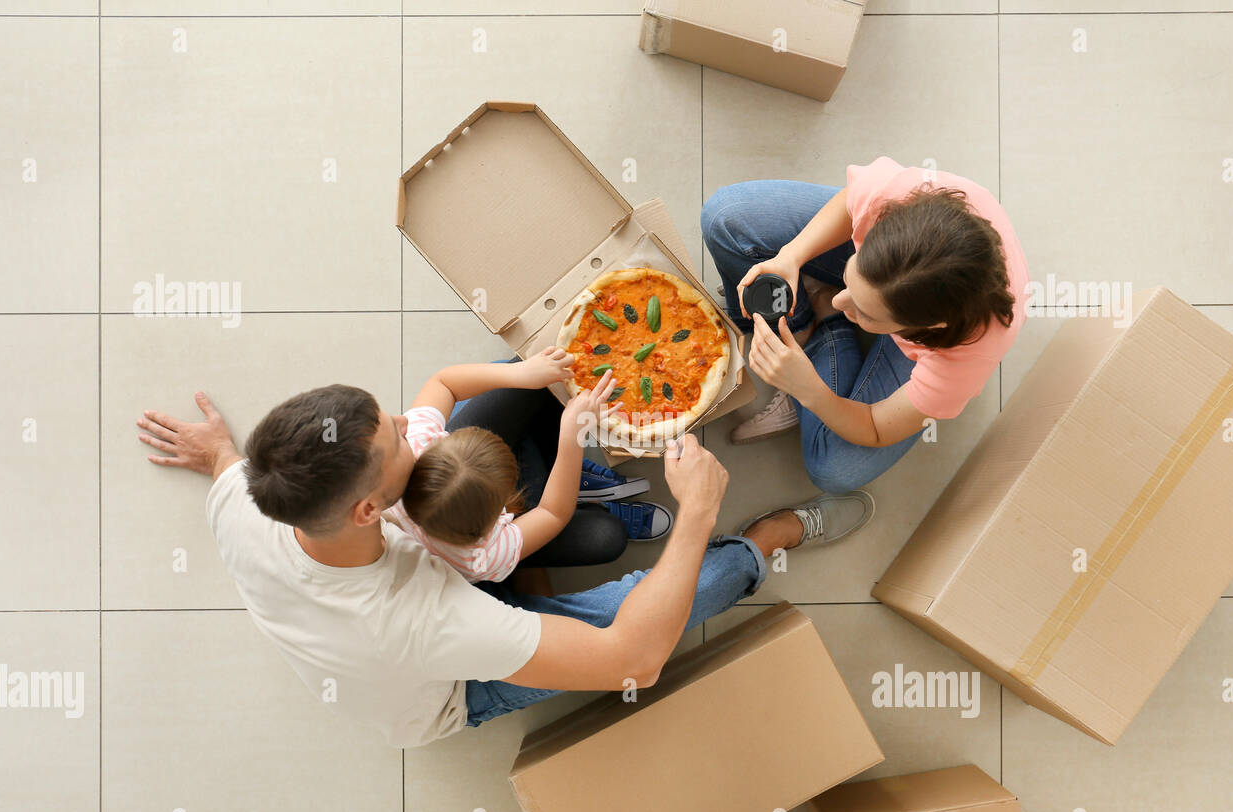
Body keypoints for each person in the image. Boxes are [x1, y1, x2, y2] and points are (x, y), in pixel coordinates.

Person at [133, 375, 802, 747]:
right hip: (447, 682)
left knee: (528, 385)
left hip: (438, 586)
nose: (406, 421)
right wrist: (697, 513)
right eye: (398, 437)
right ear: (370, 511)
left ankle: (550, 521)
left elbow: (233, 468)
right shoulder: (428, 617)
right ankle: (760, 544)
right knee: (650, 595)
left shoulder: (243, 499)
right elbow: (634, 660)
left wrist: (219, 452)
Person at [704, 157, 1030, 550]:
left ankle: (826, 333)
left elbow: (876, 427)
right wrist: (791, 256)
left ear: (925, 330)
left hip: (925, 344)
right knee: (725, 217)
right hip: (902, 276)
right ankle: (804, 319)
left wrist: (810, 390)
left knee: (835, 470)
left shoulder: (966, 355)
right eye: (847, 279)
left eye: (865, 315)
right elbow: (850, 203)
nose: (843, 301)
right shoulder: (904, 199)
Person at [386, 349, 628, 583]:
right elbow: (553, 513)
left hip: (475, 506)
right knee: (609, 537)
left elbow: (443, 383)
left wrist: (521, 373)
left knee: (543, 369)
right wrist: (571, 436)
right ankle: (573, 483)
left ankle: (567, 475)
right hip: (514, 527)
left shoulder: (415, 443)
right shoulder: (481, 558)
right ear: (505, 504)